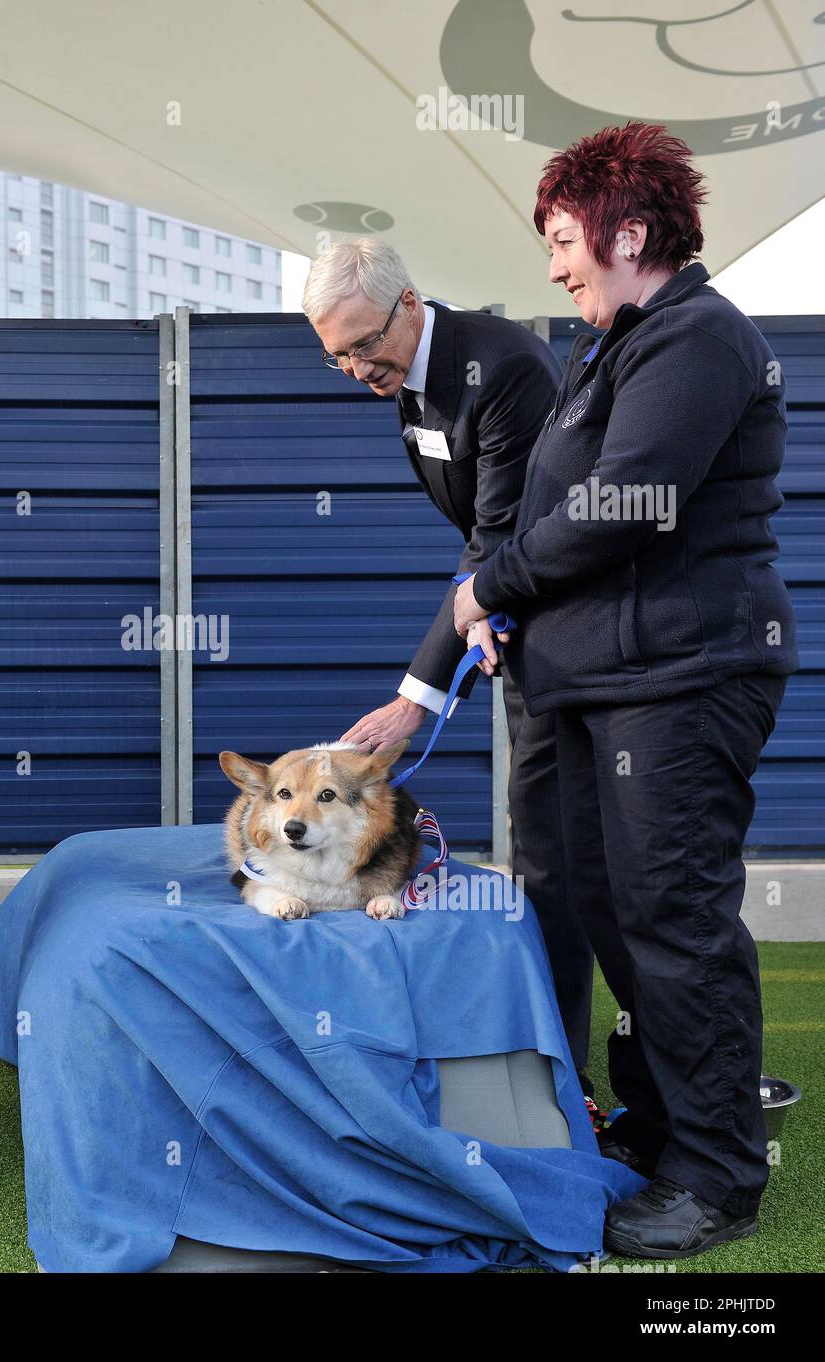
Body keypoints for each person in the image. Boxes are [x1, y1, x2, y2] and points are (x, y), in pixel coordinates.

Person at [455, 123, 798, 1258]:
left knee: (671, 918)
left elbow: (623, 503)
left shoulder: (697, 338)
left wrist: (492, 583)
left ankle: (717, 1174)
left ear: (629, 234)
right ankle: (659, 1128)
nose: (554, 265)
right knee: (611, 912)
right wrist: (509, 605)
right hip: (603, 678)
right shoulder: (612, 347)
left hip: (684, 678)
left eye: (564, 241)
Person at [302, 240, 596, 1097]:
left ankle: (577, 1082)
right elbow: (481, 547)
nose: (356, 368)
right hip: (520, 632)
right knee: (546, 854)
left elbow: (497, 536)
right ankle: (555, 1068)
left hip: (582, 648)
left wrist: (413, 702)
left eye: (364, 345)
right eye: (337, 356)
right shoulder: (411, 383)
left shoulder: (503, 367)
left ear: (409, 303)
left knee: (581, 867)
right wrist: (484, 617)